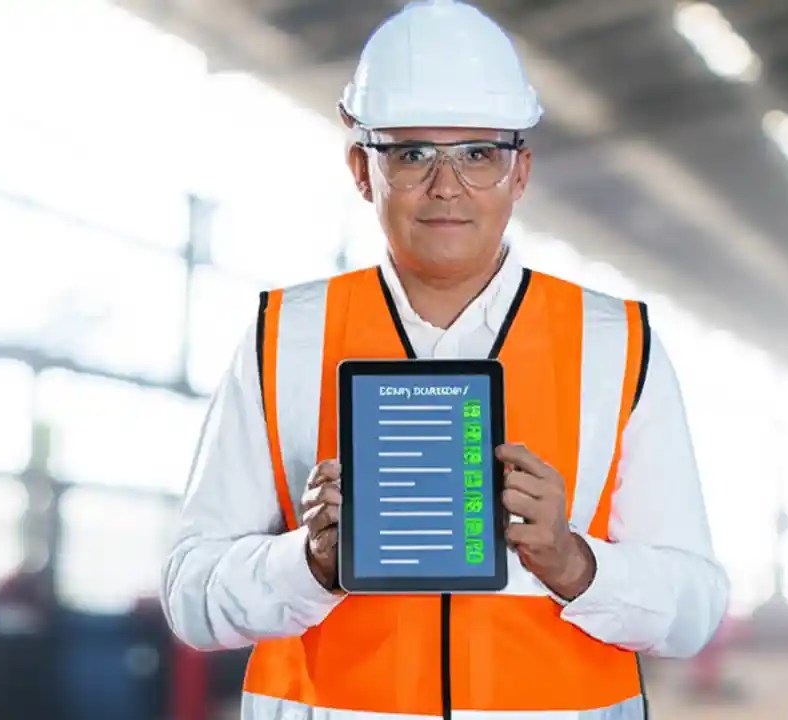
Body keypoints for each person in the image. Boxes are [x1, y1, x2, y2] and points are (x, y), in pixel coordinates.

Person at [162, 1, 729, 717]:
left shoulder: (617, 345)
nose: (446, 186)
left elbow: (693, 608)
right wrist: (309, 561)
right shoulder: (283, 339)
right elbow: (191, 596)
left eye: (478, 154)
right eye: (412, 155)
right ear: (361, 169)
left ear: (520, 172)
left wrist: (572, 561)